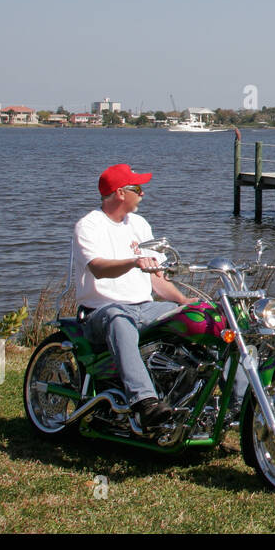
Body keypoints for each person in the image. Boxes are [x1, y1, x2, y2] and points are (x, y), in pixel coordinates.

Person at [73, 163, 195, 427]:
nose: (143, 194)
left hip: (145, 308)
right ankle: (144, 402)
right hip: (101, 311)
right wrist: (133, 262)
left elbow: (156, 278)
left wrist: (183, 302)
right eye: (137, 189)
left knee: (196, 319)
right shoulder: (89, 225)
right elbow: (98, 268)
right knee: (119, 319)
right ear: (120, 193)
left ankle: (206, 402)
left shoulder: (139, 224)